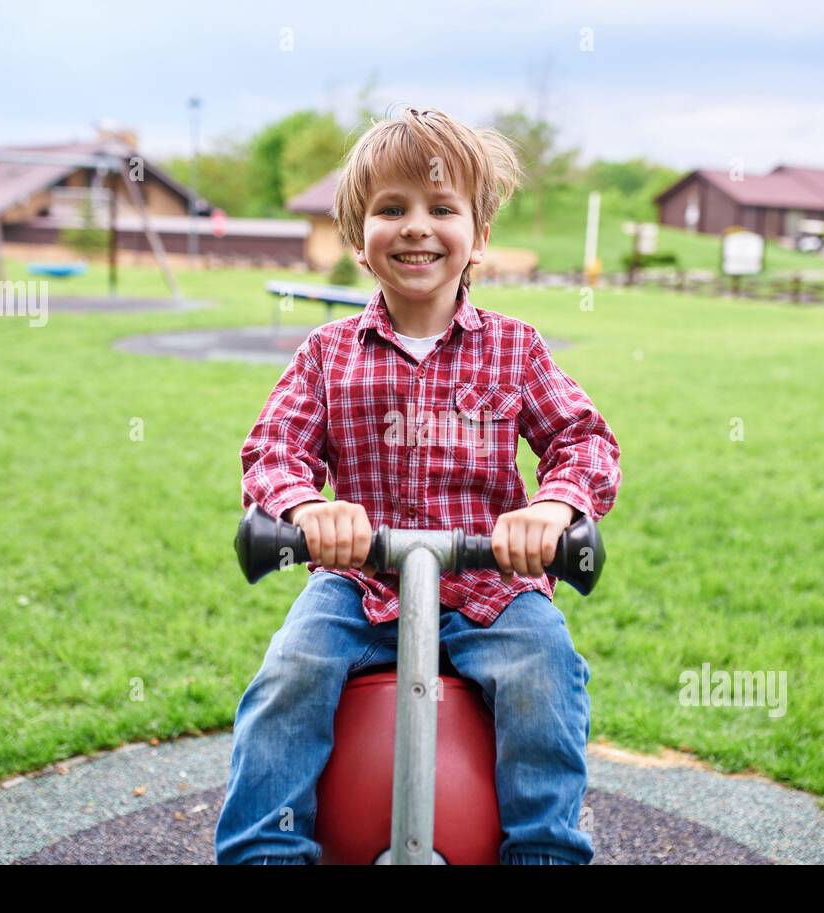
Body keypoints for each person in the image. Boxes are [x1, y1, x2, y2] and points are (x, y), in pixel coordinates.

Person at [214, 106, 622, 865]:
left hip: (492, 586)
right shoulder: (328, 354)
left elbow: (583, 441)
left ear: (480, 236)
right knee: (288, 677)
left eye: (442, 209)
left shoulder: (515, 348)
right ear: (357, 235)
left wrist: (551, 509)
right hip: (357, 584)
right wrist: (309, 508)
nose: (416, 227)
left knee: (545, 671)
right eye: (391, 209)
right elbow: (273, 449)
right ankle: (262, 853)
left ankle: (544, 850)